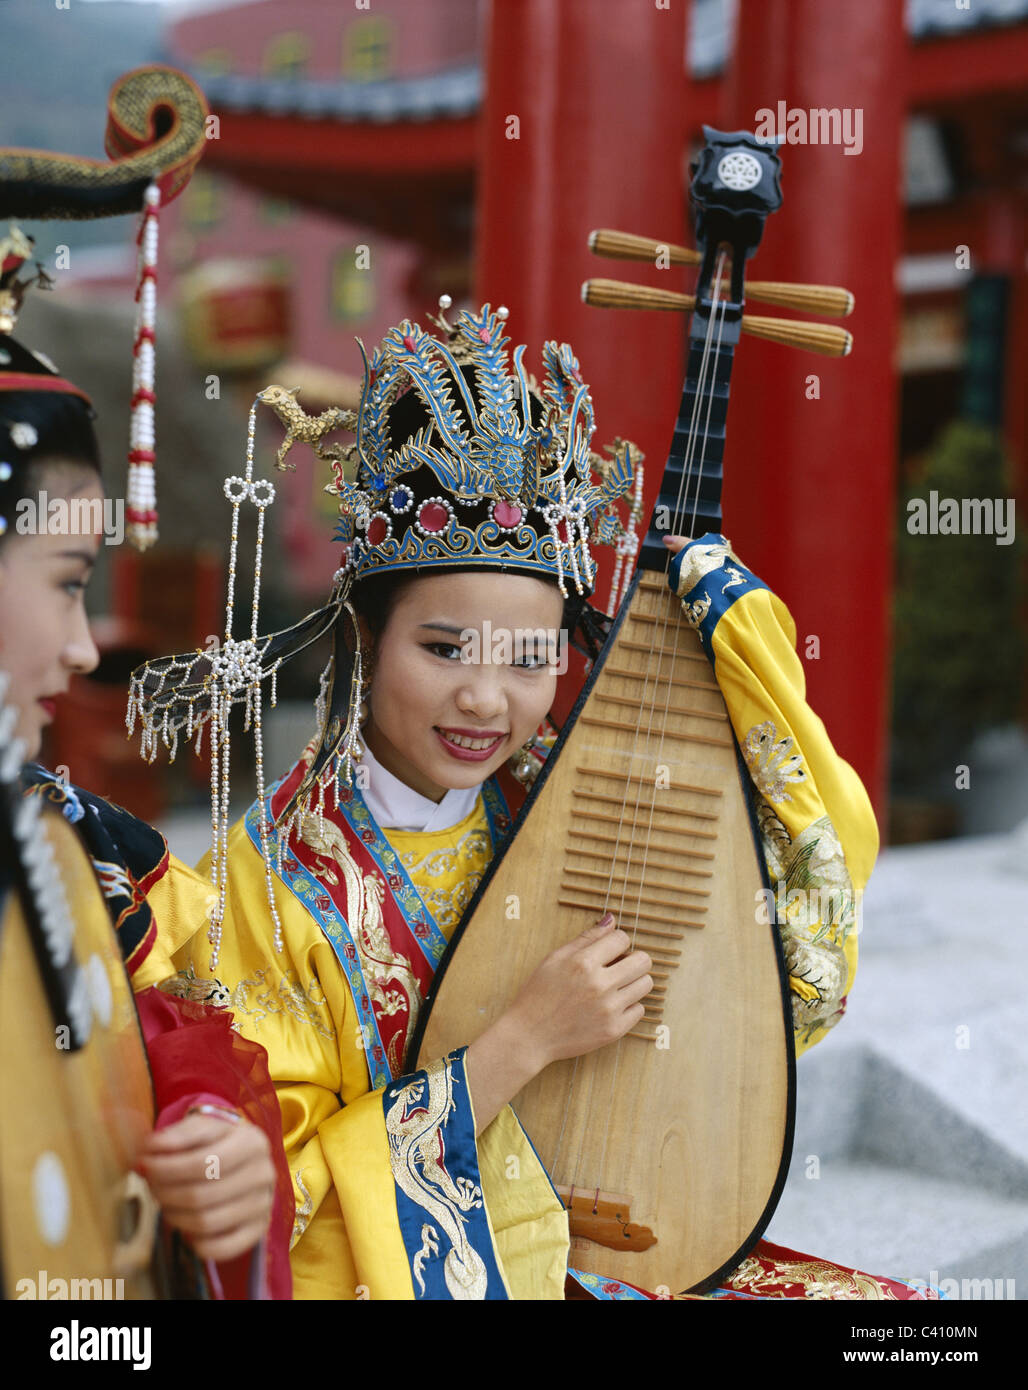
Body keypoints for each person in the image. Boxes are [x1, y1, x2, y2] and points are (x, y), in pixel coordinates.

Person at [136, 301, 937, 1300]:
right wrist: (516, 1045)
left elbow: (792, 948)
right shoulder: (260, 891)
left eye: (529, 659)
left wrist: (739, 639)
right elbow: (286, 1209)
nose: (486, 698)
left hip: (629, 1230)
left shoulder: (562, 797)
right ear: (361, 638)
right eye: (441, 649)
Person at [0, 311, 293, 1299]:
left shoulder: (89, 845)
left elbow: (178, 1042)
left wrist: (211, 1140)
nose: (87, 649)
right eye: (69, 585)